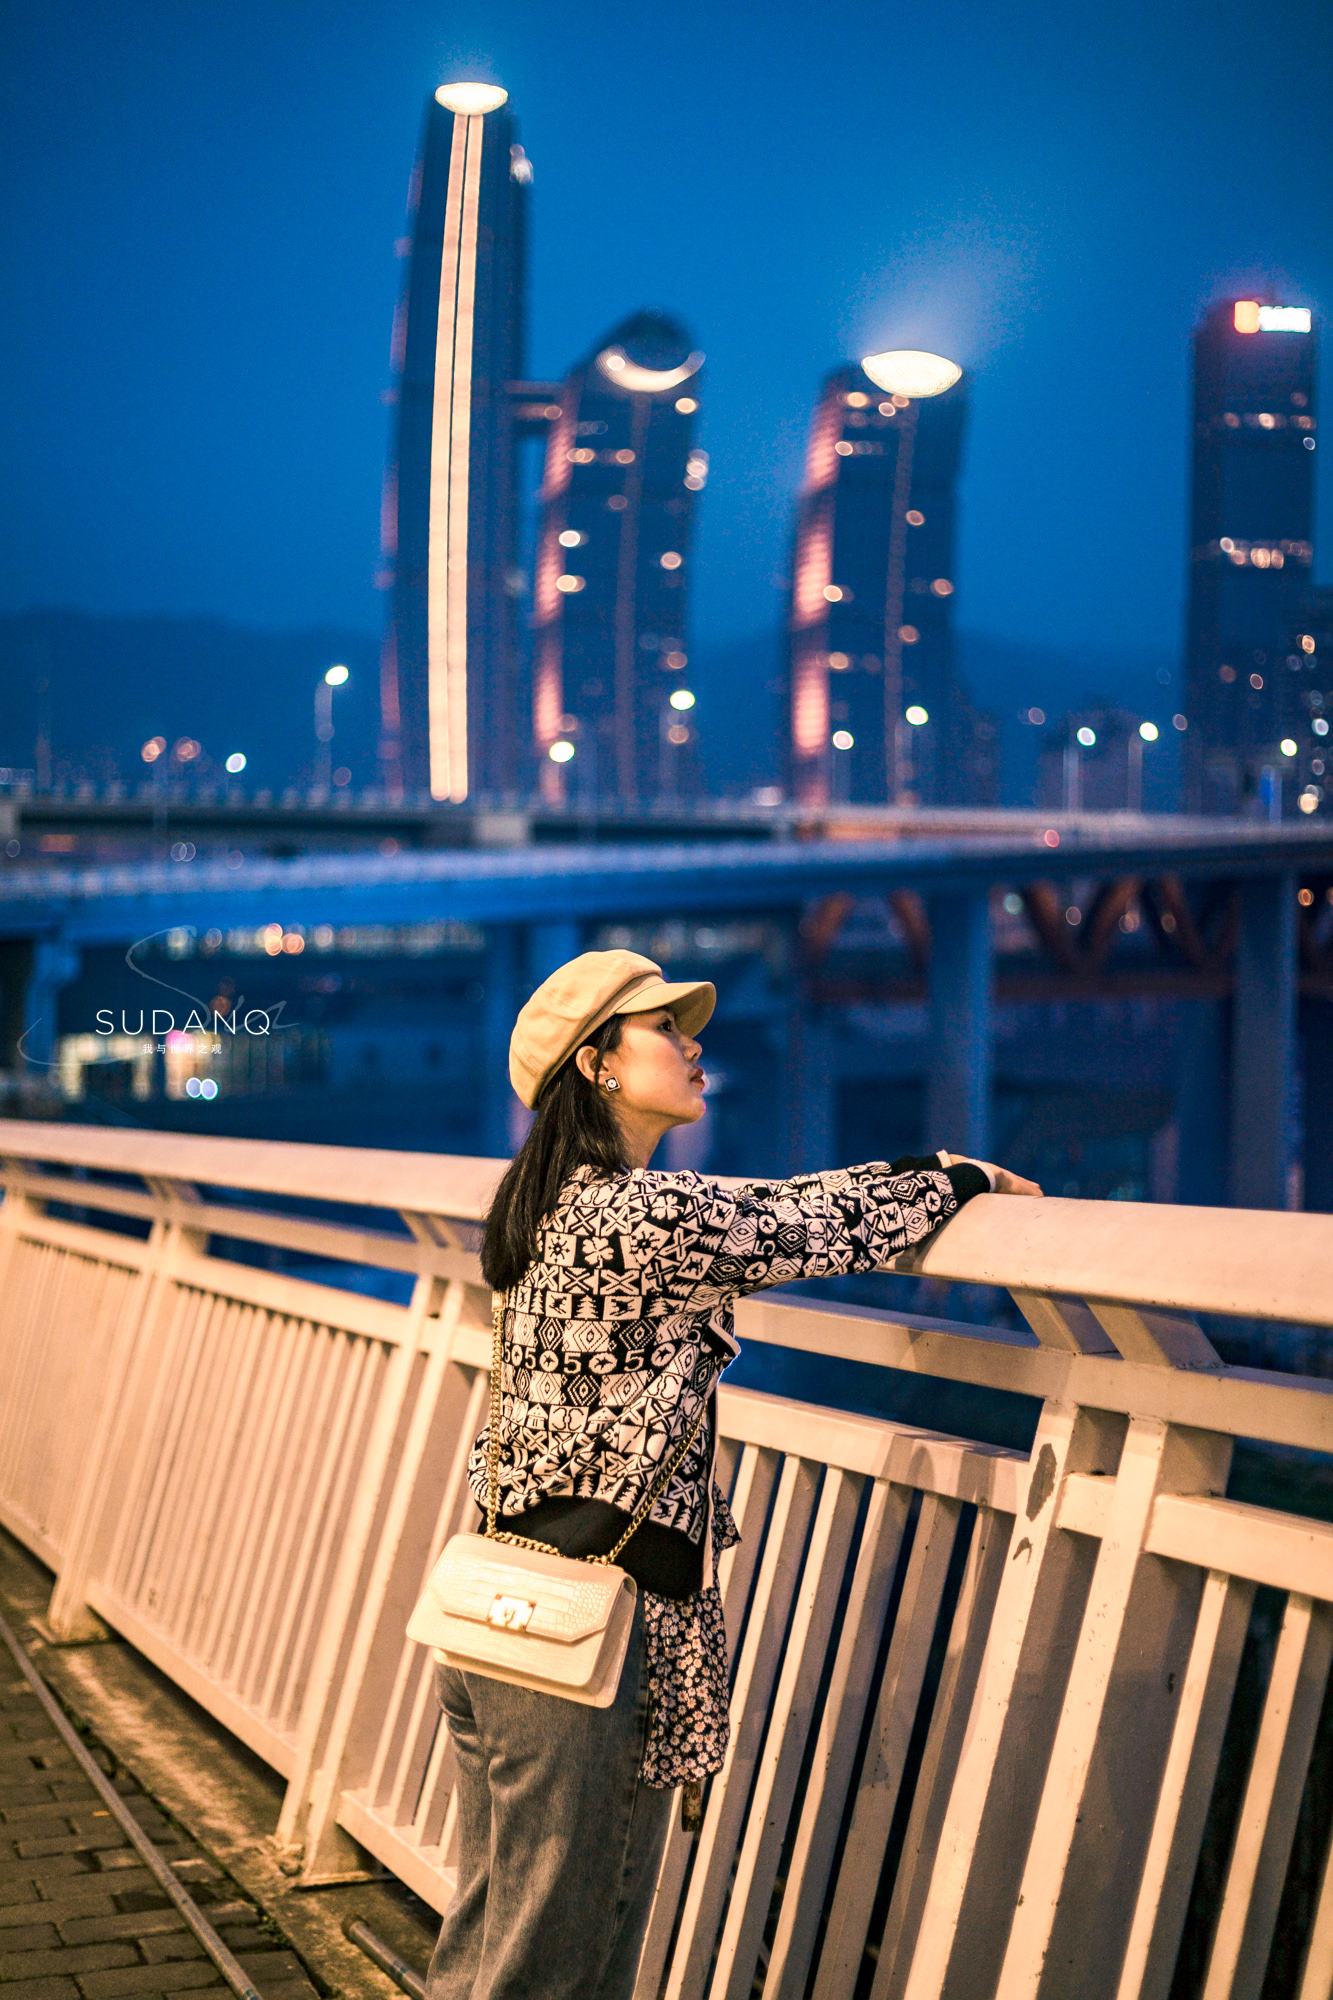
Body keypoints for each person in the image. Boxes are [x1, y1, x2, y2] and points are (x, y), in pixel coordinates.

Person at [426, 949, 1042, 2000]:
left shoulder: (543, 1208)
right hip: (579, 1640)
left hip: (499, 1614)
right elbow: (810, 1222)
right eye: (663, 1027)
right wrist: (957, 1178)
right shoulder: (639, 1217)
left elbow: (769, 1206)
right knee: (556, 1967)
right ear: (597, 1065)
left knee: (494, 1945)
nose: (692, 1042)